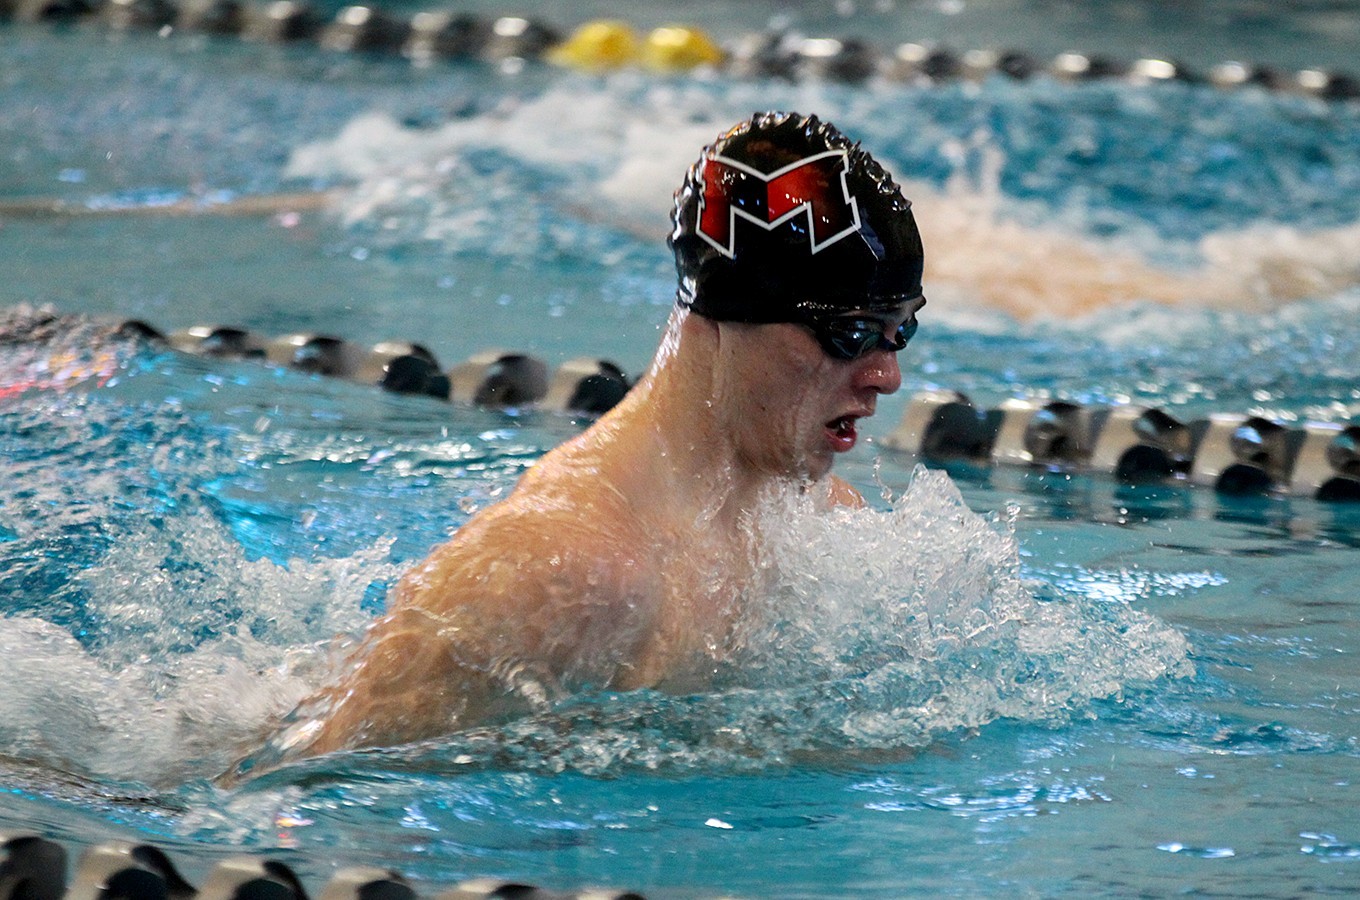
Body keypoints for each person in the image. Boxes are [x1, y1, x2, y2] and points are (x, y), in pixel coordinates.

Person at [259, 111, 927, 760]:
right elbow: (310, 779)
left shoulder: (824, 524)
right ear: (730, 313)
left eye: (900, 331)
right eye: (852, 333)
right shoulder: (555, 569)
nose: (886, 375)